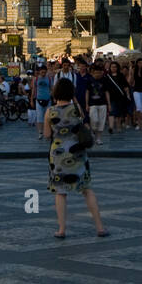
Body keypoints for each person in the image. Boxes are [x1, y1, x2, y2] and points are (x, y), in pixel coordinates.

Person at [44, 78, 108, 239]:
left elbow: (46, 134)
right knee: (87, 189)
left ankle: (61, 229)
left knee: (60, 193)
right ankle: (100, 227)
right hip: (77, 153)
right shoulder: (76, 108)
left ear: (55, 92)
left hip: (58, 155)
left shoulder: (50, 111)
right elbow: (82, 124)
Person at [105, 61, 131, 134]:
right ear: (110, 68)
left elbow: (126, 86)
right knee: (111, 112)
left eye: (115, 67)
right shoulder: (107, 77)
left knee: (119, 113)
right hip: (111, 97)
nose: (114, 68)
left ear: (117, 68)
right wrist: (107, 100)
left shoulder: (121, 76)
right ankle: (111, 127)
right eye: (112, 67)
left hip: (120, 97)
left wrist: (128, 95)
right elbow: (106, 90)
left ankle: (118, 126)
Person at [85, 63, 109, 139]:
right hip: (92, 103)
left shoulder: (104, 80)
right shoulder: (89, 80)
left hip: (103, 103)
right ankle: (93, 130)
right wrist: (86, 104)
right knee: (94, 120)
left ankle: (98, 138)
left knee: (101, 121)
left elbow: (106, 92)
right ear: (93, 73)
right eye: (96, 73)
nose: (98, 74)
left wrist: (109, 104)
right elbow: (87, 92)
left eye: (99, 73)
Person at [33, 67, 52, 136]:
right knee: (39, 117)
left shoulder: (49, 79)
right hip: (38, 100)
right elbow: (34, 89)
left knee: (48, 116)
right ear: (39, 72)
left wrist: (52, 96)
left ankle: (48, 130)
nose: (43, 74)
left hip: (48, 100)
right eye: (42, 72)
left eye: (45, 72)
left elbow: (51, 88)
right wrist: (32, 99)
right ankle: (40, 132)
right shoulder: (36, 79)